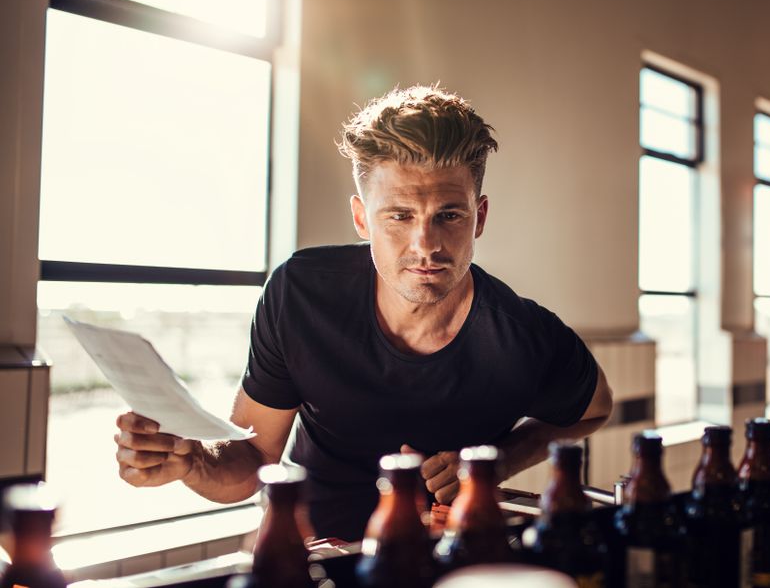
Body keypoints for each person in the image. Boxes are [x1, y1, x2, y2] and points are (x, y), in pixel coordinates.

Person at [113, 85, 614, 541]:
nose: (426, 245)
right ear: (361, 218)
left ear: (478, 217)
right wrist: (194, 460)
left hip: (440, 562)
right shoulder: (301, 294)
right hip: (311, 553)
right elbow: (255, 459)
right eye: (399, 216)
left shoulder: (523, 336)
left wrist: (497, 461)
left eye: (449, 215)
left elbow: (596, 408)